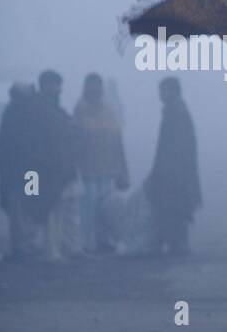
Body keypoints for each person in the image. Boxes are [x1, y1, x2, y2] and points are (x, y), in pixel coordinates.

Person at [143, 76, 200, 256]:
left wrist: (165, 170)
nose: (161, 94)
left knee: (174, 206)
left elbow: (178, 146)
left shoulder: (177, 112)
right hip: (174, 169)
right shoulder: (173, 110)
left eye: (165, 90)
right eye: (161, 90)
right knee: (174, 206)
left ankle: (178, 244)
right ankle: (175, 243)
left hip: (175, 171)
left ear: (174, 91)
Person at [73, 73, 130, 254]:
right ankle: (88, 243)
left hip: (109, 169)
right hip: (88, 169)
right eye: (92, 86)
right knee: (88, 209)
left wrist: (122, 168)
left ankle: (103, 241)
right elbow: (75, 141)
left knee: (106, 209)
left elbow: (117, 139)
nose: (95, 90)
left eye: (98, 86)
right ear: (86, 87)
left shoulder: (109, 110)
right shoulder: (80, 110)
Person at [31, 70, 82, 260]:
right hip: (46, 169)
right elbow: (37, 143)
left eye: (58, 85)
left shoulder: (55, 109)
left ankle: (70, 248)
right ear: (44, 86)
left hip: (64, 167)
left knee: (67, 209)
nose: (58, 89)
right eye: (53, 84)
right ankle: (53, 253)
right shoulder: (38, 109)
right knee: (52, 211)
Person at [0, 82, 41, 258]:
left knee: (28, 204)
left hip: (28, 170)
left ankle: (27, 242)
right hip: (19, 171)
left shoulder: (21, 113)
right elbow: (5, 145)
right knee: (20, 205)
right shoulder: (16, 114)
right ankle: (22, 244)